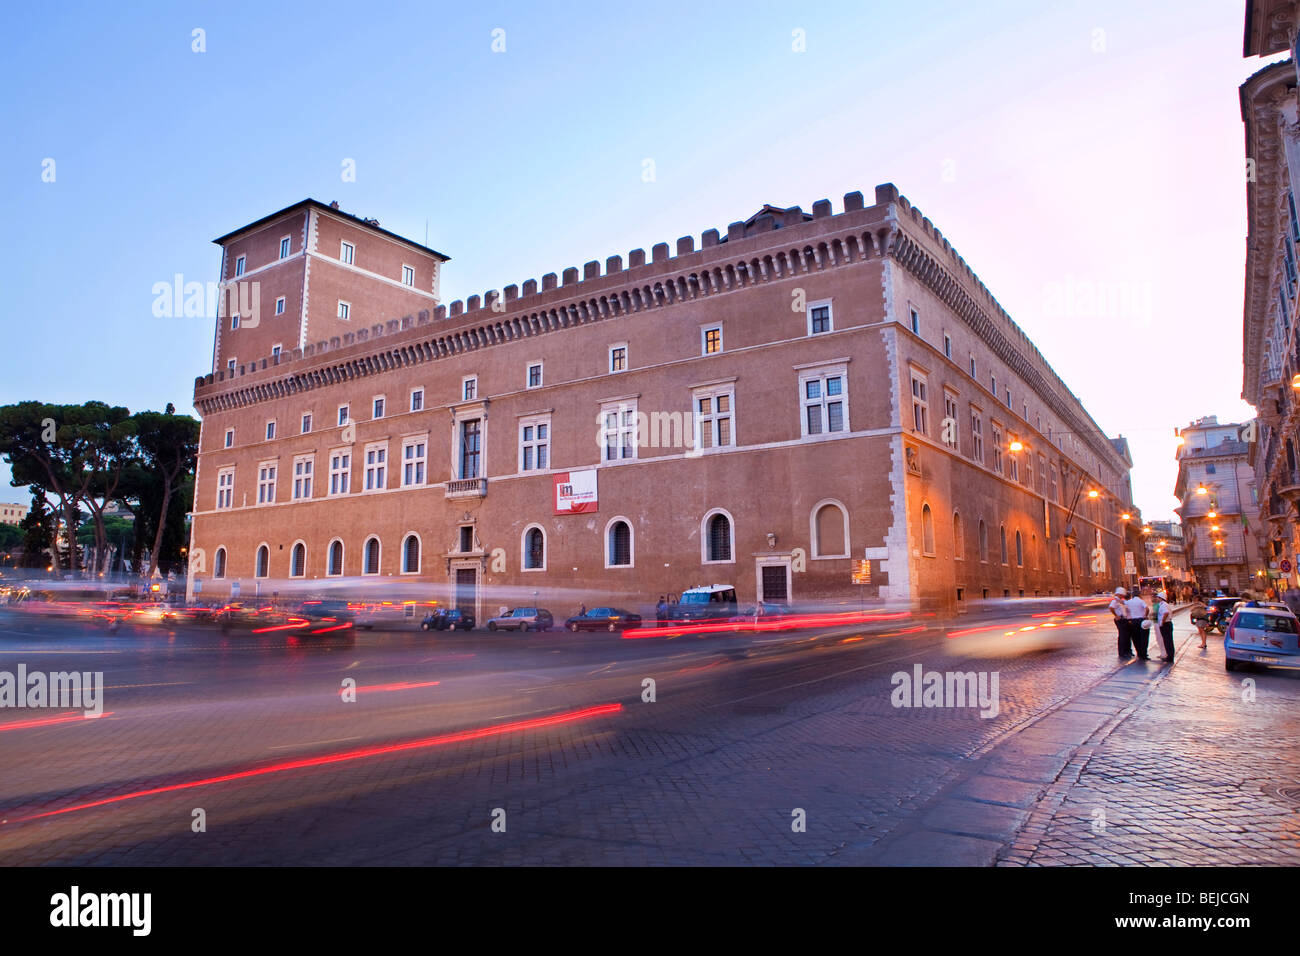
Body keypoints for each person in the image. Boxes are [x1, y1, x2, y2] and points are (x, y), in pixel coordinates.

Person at [1124, 588, 1151, 661]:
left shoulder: (1129, 602)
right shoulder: (1141, 601)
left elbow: (1125, 607)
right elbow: (1147, 609)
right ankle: (1144, 654)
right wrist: (1145, 615)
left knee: (1135, 638)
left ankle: (1139, 652)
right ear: (1139, 595)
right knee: (1144, 638)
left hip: (1133, 621)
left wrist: (1128, 616)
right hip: (1141, 620)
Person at [1152, 590, 1175, 663]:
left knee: (1168, 641)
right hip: (1166, 624)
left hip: (1166, 624)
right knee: (1167, 641)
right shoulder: (1162, 604)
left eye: (1158, 597)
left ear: (1161, 598)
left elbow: (1165, 613)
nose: (1157, 598)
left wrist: (1162, 622)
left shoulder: (1163, 605)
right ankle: (1169, 655)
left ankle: (1170, 657)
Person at [1108, 587, 1131, 658]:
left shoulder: (1120, 600)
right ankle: (1122, 652)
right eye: (1122, 595)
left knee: (1126, 635)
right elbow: (1111, 608)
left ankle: (1127, 651)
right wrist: (1116, 615)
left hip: (1124, 619)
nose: (1123, 596)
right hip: (1120, 619)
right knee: (1122, 636)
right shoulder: (1115, 601)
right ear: (1119, 594)